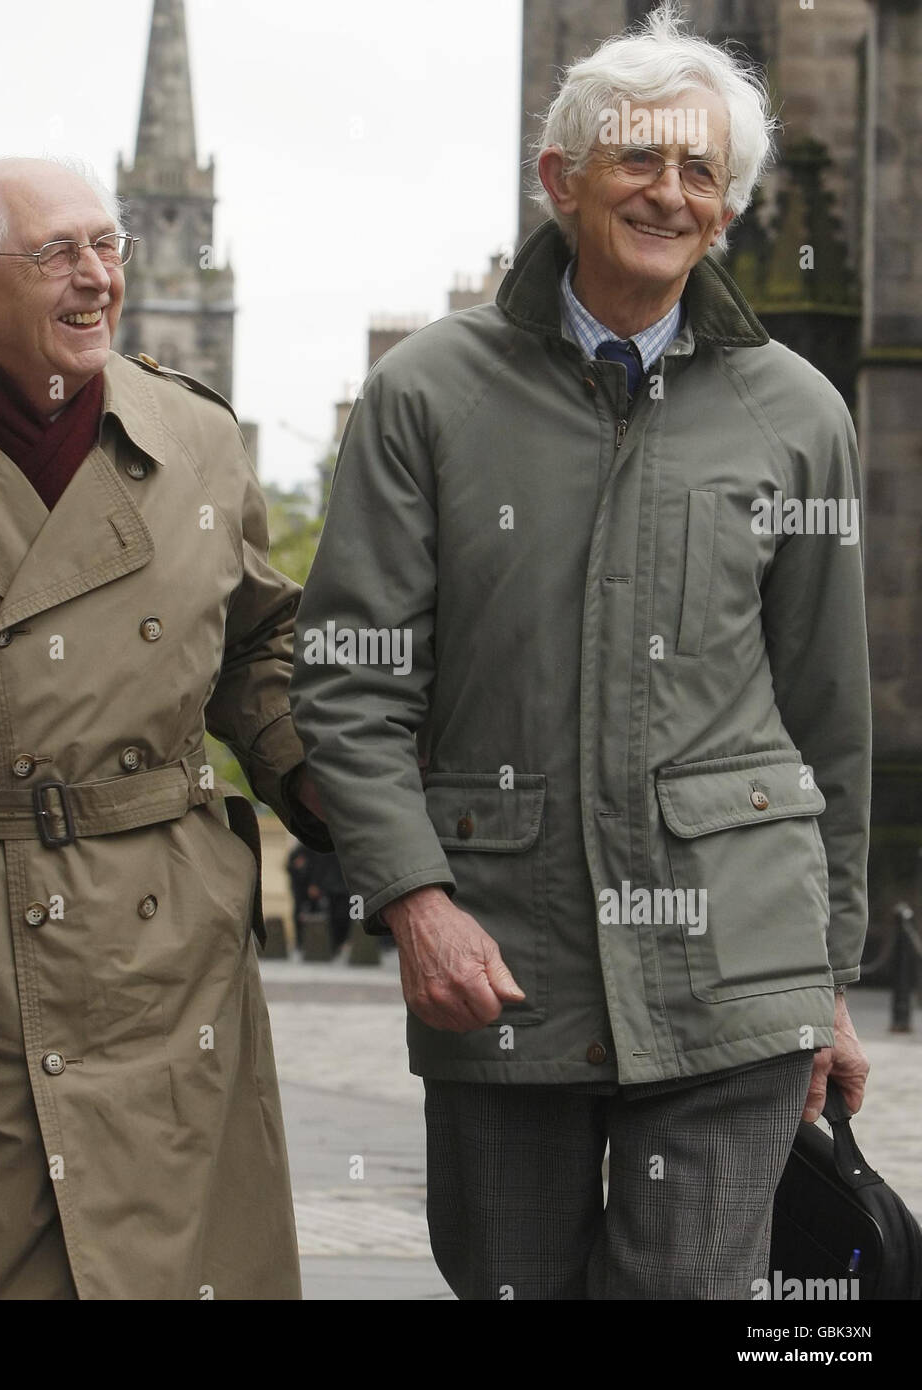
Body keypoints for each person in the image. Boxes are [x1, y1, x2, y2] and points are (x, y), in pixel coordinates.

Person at [290, 2, 871, 1300]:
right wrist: (416, 903)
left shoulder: (802, 411)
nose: (672, 193)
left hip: (740, 960)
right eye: (639, 162)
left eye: (702, 172)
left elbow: (829, 712)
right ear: (561, 179)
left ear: (729, 207)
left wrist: (826, 979)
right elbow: (350, 679)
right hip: (502, 957)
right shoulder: (427, 395)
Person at [0, 155, 326, 1299]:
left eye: (108, 246)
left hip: (168, 952)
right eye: (59, 255)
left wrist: (321, 785)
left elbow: (258, 652)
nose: (98, 279)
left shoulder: (195, 439)